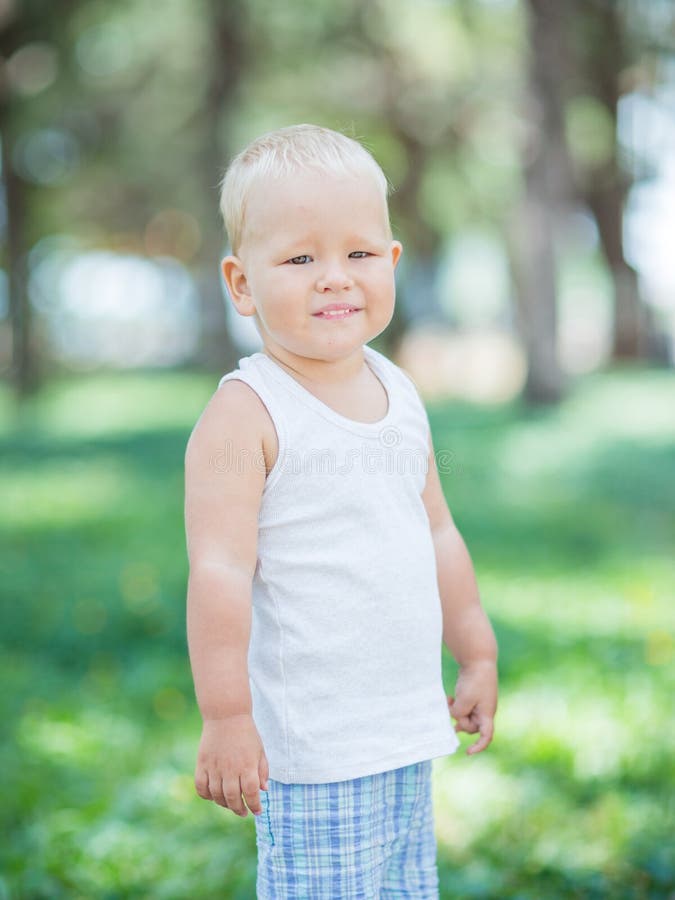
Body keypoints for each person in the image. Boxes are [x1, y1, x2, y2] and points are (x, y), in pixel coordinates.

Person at [184, 123, 498, 898]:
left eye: (358, 253)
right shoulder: (249, 413)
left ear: (391, 263)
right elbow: (218, 570)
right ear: (241, 283)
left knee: (402, 886)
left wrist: (477, 649)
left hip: (401, 725)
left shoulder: (399, 393)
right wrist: (226, 717)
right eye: (299, 258)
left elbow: (437, 530)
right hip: (314, 743)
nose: (334, 277)